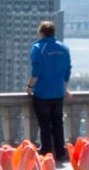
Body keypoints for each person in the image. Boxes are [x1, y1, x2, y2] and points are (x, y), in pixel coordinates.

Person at [27, 21, 72, 161]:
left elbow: (36, 71)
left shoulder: (38, 48)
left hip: (42, 92)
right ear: (53, 32)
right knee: (58, 123)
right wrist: (64, 88)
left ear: (41, 33)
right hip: (58, 92)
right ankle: (60, 152)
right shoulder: (64, 48)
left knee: (45, 124)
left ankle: (47, 153)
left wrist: (29, 86)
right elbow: (67, 70)